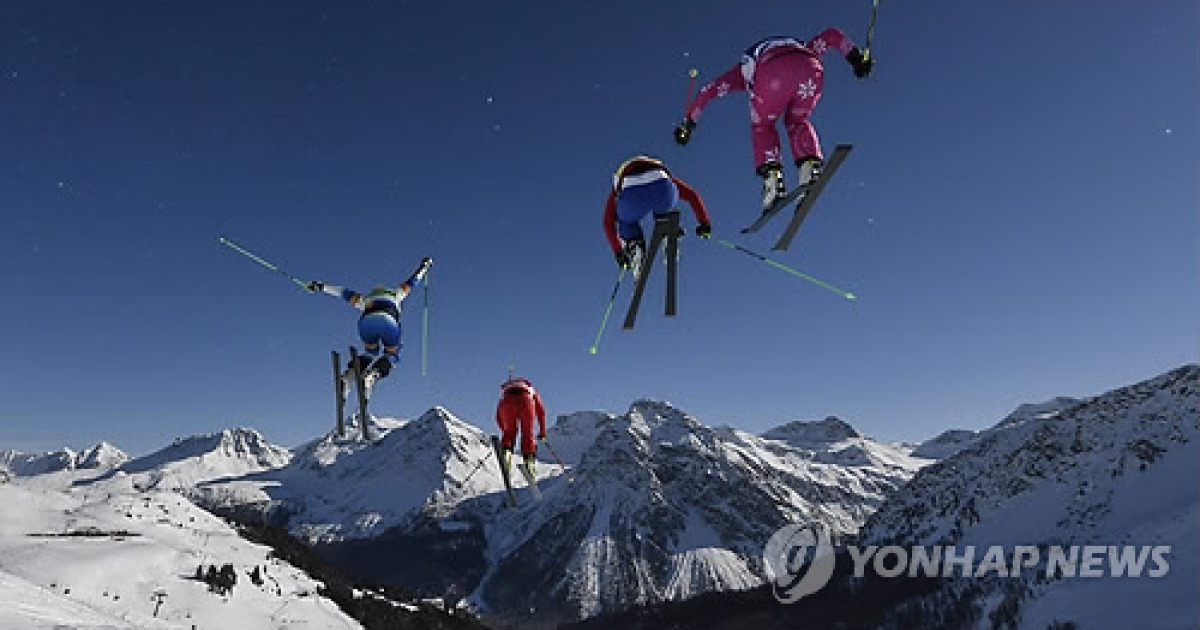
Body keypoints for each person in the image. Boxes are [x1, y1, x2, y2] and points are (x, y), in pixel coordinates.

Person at [673, 30, 874, 213]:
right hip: (810, 70)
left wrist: (689, 124)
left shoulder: (744, 68)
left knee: (762, 126)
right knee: (797, 120)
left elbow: (708, 91)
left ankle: (773, 178)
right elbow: (831, 35)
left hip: (771, 76)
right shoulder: (802, 46)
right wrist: (855, 57)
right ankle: (809, 166)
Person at [306, 256, 432, 384]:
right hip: (389, 322)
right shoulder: (396, 293)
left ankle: (349, 376)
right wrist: (424, 267)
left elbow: (342, 292)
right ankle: (373, 374)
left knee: (371, 352)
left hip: (366, 323)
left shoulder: (366, 299)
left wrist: (321, 287)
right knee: (392, 354)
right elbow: (412, 281)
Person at [603, 155, 712, 273]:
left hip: (631, 194)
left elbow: (608, 221)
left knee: (626, 222)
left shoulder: (619, 183)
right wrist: (704, 223)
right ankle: (668, 232)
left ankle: (635, 247)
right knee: (663, 209)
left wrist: (619, 252)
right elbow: (693, 195)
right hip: (663, 187)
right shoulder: (658, 171)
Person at [495, 374, 547, 475]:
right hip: (526, 401)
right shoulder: (531, 389)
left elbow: (498, 416)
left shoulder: (505, 392)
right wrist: (542, 432)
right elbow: (541, 411)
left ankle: (506, 453)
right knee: (527, 433)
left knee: (510, 432)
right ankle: (529, 461)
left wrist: (505, 430)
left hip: (506, 402)